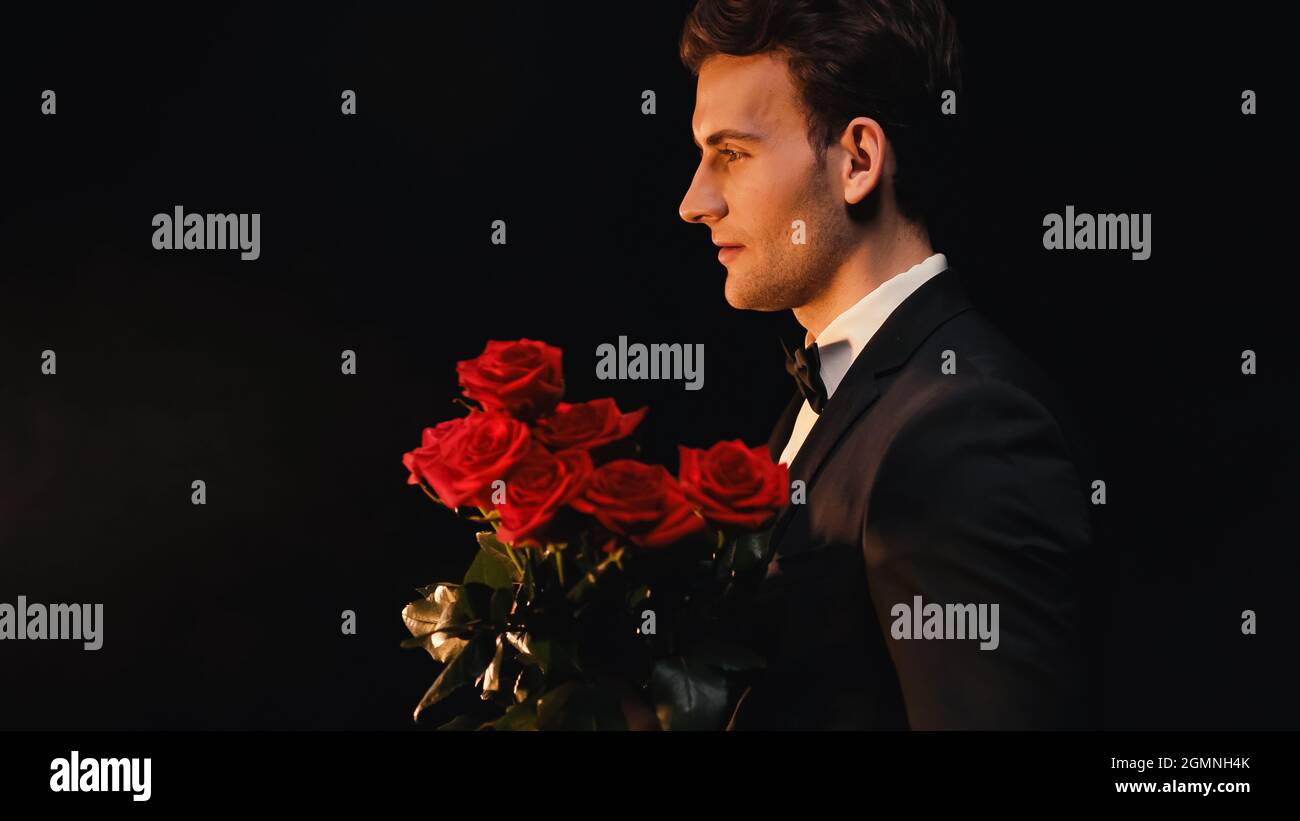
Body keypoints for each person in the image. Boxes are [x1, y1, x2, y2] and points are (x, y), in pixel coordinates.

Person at [678, 0, 1094, 729]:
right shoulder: (833, 395)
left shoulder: (965, 425)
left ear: (859, 160)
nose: (694, 201)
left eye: (733, 153)